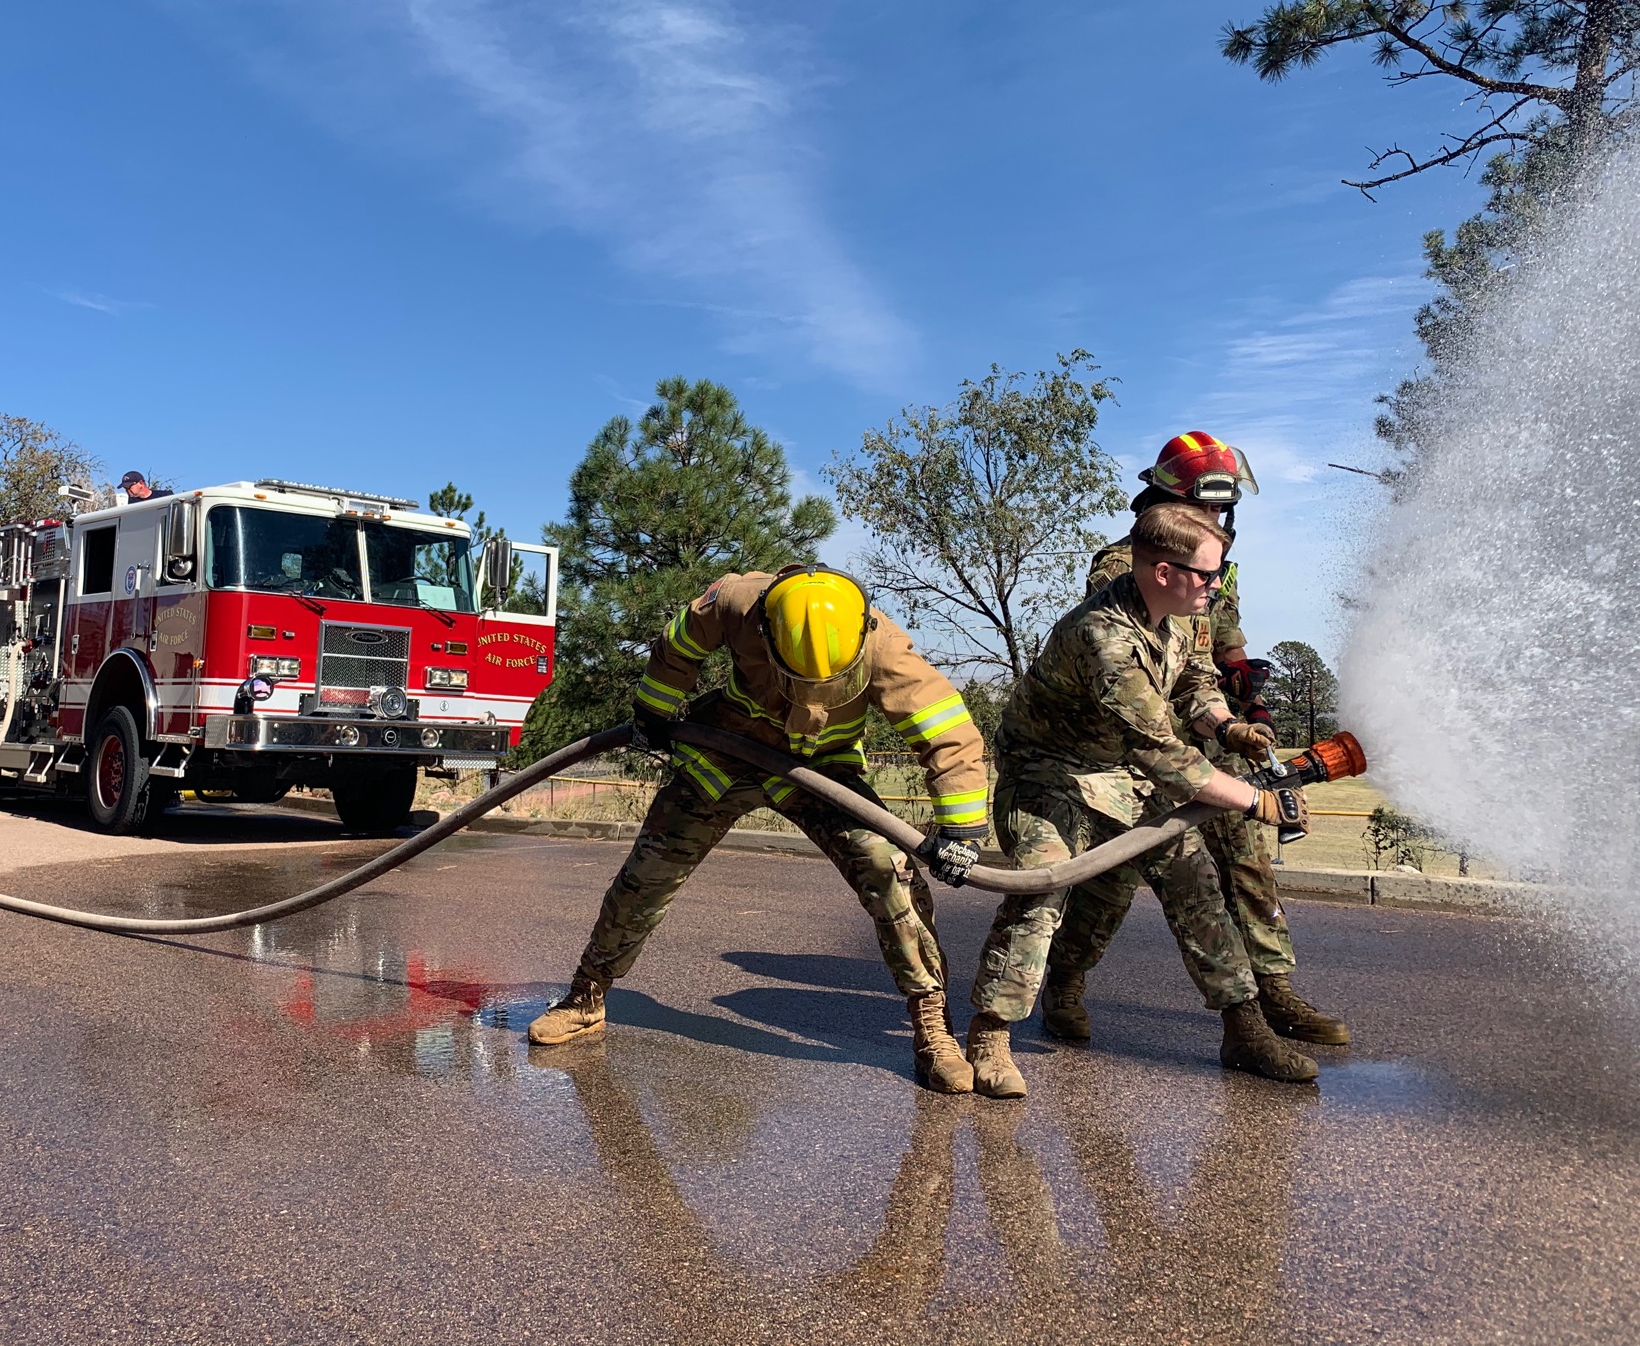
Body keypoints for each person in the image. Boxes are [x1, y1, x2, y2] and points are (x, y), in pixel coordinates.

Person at [526, 566, 994, 1094]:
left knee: (891, 876)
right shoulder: (734, 603)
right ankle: (586, 997)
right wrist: (654, 712)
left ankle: (933, 1031)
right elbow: (676, 647)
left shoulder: (882, 644)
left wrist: (962, 831)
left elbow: (948, 732)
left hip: (823, 771)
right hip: (726, 755)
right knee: (649, 872)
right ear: (767, 633)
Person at [963, 502, 1319, 1098]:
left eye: (1219, 574)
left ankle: (1245, 1030)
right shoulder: (1104, 638)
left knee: (1196, 883)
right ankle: (990, 1034)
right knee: (1042, 882)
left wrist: (1227, 727)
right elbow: (1164, 756)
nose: (1216, 586)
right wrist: (1256, 802)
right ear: (1163, 573)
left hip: (1120, 771)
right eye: (1207, 575)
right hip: (1048, 774)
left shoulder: (1179, 617)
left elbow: (1193, 683)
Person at [1042, 432, 1349, 1047]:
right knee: (1116, 879)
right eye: (1209, 507)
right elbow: (1132, 666)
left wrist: (1246, 701)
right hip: (1144, 749)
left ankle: (1273, 992)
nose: (1218, 519)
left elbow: (1221, 640)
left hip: (1209, 738)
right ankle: (1065, 985)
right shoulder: (1125, 563)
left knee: (1248, 863)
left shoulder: (1215, 563)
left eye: (1223, 510)